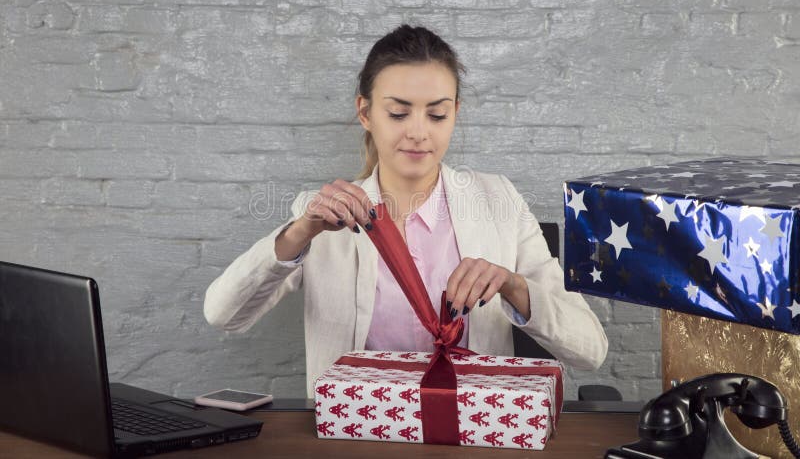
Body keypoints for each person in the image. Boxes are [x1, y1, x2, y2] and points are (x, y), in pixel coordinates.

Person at [203, 24, 608, 398]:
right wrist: (299, 233)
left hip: (473, 431)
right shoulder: (322, 215)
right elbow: (224, 314)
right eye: (398, 113)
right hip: (356, 435)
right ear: (365, 113)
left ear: (455, 114)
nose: (418, 132)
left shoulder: (498, 200)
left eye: (437, 114)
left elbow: (590, 349)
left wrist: (514, 286)